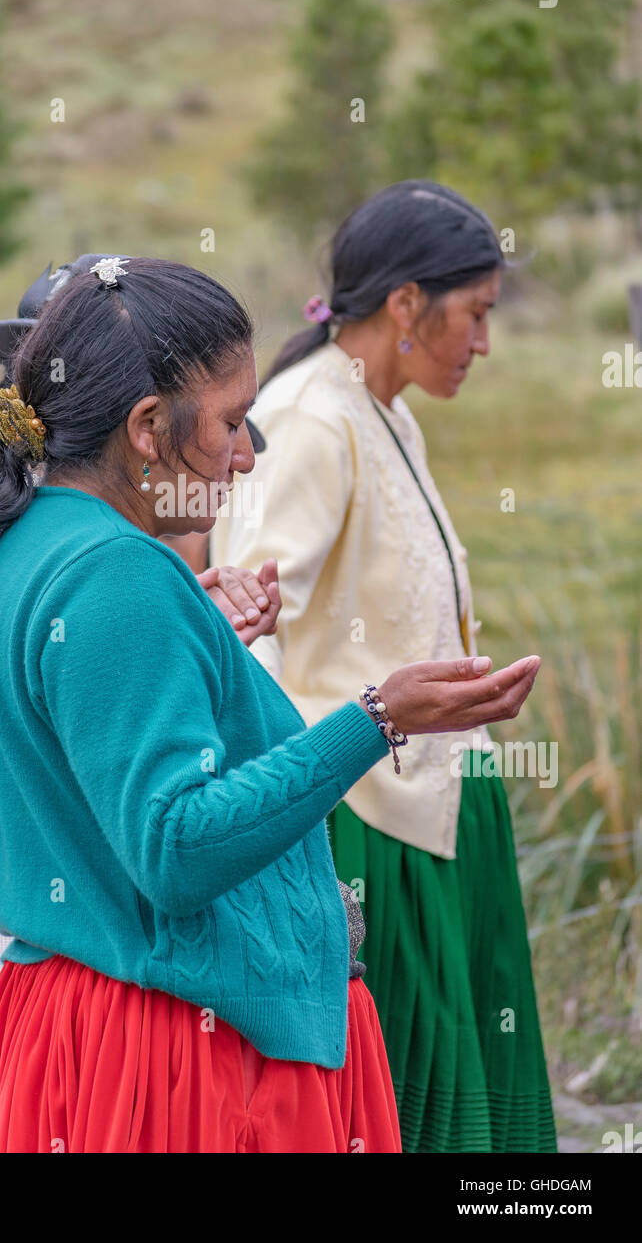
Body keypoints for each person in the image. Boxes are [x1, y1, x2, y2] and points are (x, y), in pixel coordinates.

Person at [0, 254, 540, 1154]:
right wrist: (377, 719)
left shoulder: (33, 541)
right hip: (177, 1057)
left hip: (95, 1018)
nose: (249, 452)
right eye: (230, 421)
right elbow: (174, 847)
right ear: (147, 426)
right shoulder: (118, 574)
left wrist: (202, 649)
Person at [212, 180, 557, 1153]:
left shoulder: (382, 412)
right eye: (474, 314)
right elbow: (251, 623)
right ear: (406, 303)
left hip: (434, 807)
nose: (482, 342)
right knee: (402, 1102)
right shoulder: (311, 420)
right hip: (363, 823)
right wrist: (284, 807)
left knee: (462, 1098)